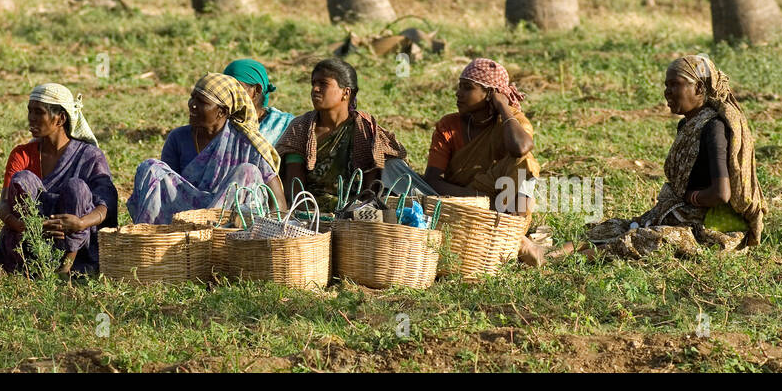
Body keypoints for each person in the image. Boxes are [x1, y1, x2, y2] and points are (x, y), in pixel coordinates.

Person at [577, 54, 766, 260]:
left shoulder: (714, 129)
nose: (668, 92)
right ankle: (555, 252)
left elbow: (721, 194)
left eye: (675, 84)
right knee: (614, 229)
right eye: (666, 85)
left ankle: (565, 257)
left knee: (643, 240)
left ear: (699, 88)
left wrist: (688, 198)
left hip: (709, 229)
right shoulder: (687, 125)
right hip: (680, 214)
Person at [423, 58, 548, 265]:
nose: (458, 93)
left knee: (525, 163)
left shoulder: (511, 122)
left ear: (489, 94)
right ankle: (518, 244)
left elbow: (521, 148)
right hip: (464, 206)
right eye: (459, 87)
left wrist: (503, 107)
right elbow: (433, 180)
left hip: (506, 209)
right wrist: (483, 201)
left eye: (467, 88)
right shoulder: (448, 125)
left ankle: (512, 232)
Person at [127, 73, 288, 224]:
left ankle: (211, 234)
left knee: (248, 171)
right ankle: (154, 238)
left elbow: (279, 202)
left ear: (221, 112)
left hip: (225, 223)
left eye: (202, 102)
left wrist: (266, 229)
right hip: (182, 218)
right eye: (192, 98)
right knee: (151, 168)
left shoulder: (247, 143)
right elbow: (165, 193)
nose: (193, 105)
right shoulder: (178, 138)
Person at [0, 84, 118, 276]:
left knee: (76, 187)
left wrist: (81, 223)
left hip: (77, 243)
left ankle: (67, 265)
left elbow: (106, 203)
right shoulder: (22, 154)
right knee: (23, 179)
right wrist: (21, 225)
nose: (31, 118)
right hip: (31, 239)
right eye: (30, 111)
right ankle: (34, 262)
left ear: (60, 118)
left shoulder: (90, 156)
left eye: (39, 112)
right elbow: (4, 203)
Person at [277, 58, 421, 212]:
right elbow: (295, 186)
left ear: (346, 92)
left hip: (353, 210)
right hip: (309, 209)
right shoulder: (301, 128)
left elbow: (370, 188)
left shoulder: (364, 129)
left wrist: (358, 212)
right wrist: (307, 214)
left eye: (323, 84)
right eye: (313, 83)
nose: (315, 89)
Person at [223, 58, 294, 144]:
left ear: (257, 90)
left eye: (236, 88)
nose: (229, 94)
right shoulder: (220, 121)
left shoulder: (284, 125)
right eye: (225, 89)